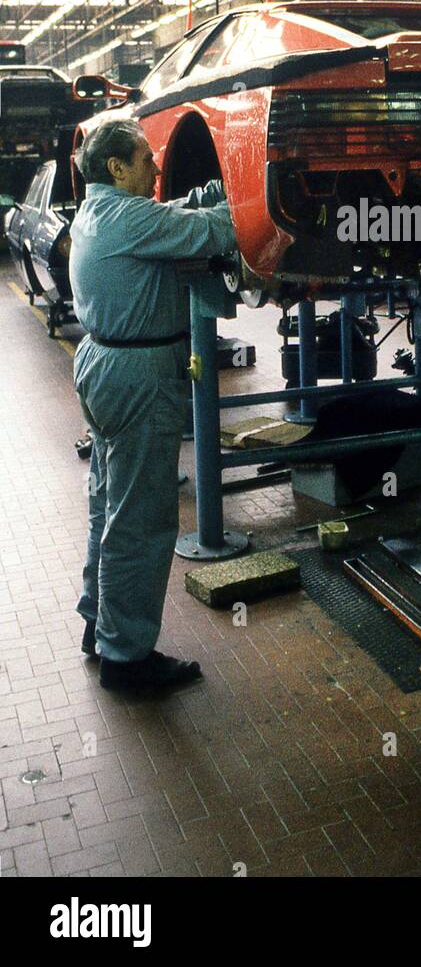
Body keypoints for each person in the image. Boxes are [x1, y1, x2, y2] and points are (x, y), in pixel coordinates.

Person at [69, 118, 237, 695]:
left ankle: (99, 622)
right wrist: (261, 200)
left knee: (108, 504)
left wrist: (213, 192)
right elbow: (210, 232)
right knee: (142, 519)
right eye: (146, 160)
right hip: (137, 375)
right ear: (116, 168)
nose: (157, 167)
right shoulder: (127, 217)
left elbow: (180, 212)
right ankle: (127, 657)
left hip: (103, 365)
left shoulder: (98, 211)